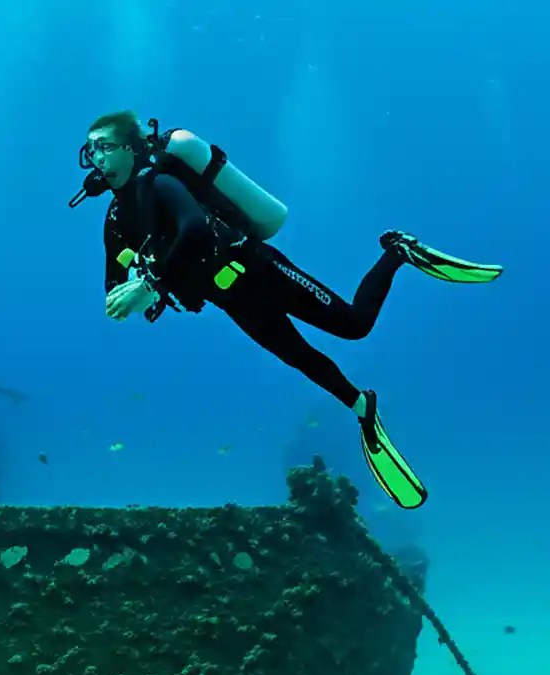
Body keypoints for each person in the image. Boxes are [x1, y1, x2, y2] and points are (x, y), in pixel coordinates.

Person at [75, 110, 504, 509]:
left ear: (132, 148)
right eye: (91, 149)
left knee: (354, 326)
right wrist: (130, 291)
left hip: (258, 269)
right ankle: (362, 409)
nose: (97, 156)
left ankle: (397, 251)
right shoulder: (116, 220)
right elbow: (113, 285)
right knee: (299, 357)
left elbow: (195, 229)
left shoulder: (160, 185)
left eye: (105, 145)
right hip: (232, 300)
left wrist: (151, 282)